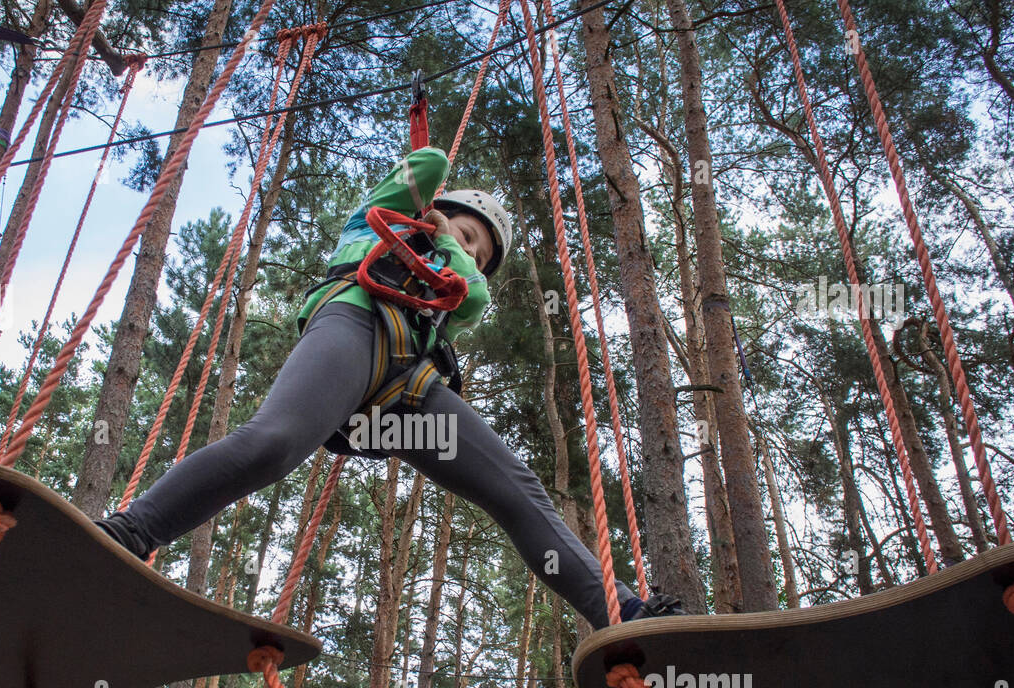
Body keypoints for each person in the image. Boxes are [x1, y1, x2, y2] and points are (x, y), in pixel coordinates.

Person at [95, 146, 684, 631]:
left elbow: (474, 297)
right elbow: (425, 164)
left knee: (517, 489)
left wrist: (452, 246)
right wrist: (430, 210)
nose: (471, 251)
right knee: (273, 443)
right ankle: (130, 532)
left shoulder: (455, 289)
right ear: (437, 209)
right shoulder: (374, 219)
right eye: (468, 233)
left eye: (481, 250)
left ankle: (624, 614)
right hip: (353, 324)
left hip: (408, 387)